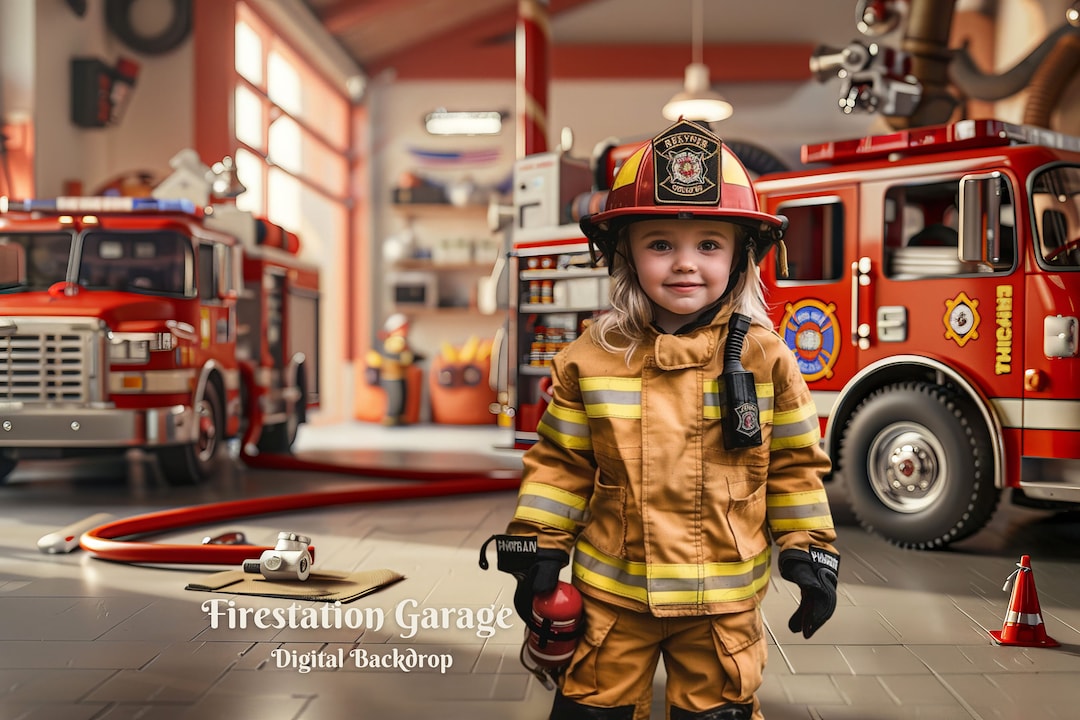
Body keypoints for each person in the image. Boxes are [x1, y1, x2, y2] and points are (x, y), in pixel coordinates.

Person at [496, 120, 839, 720]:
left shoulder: (765, 359)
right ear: (625, 252)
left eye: (709, 244)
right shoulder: (590, 357)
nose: (685, 265)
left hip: (722, 608)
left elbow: (793, 468)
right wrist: (540, 547)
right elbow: (561, 465)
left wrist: (810, 552)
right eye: (660, 244)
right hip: (612, 602)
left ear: (740, 258)